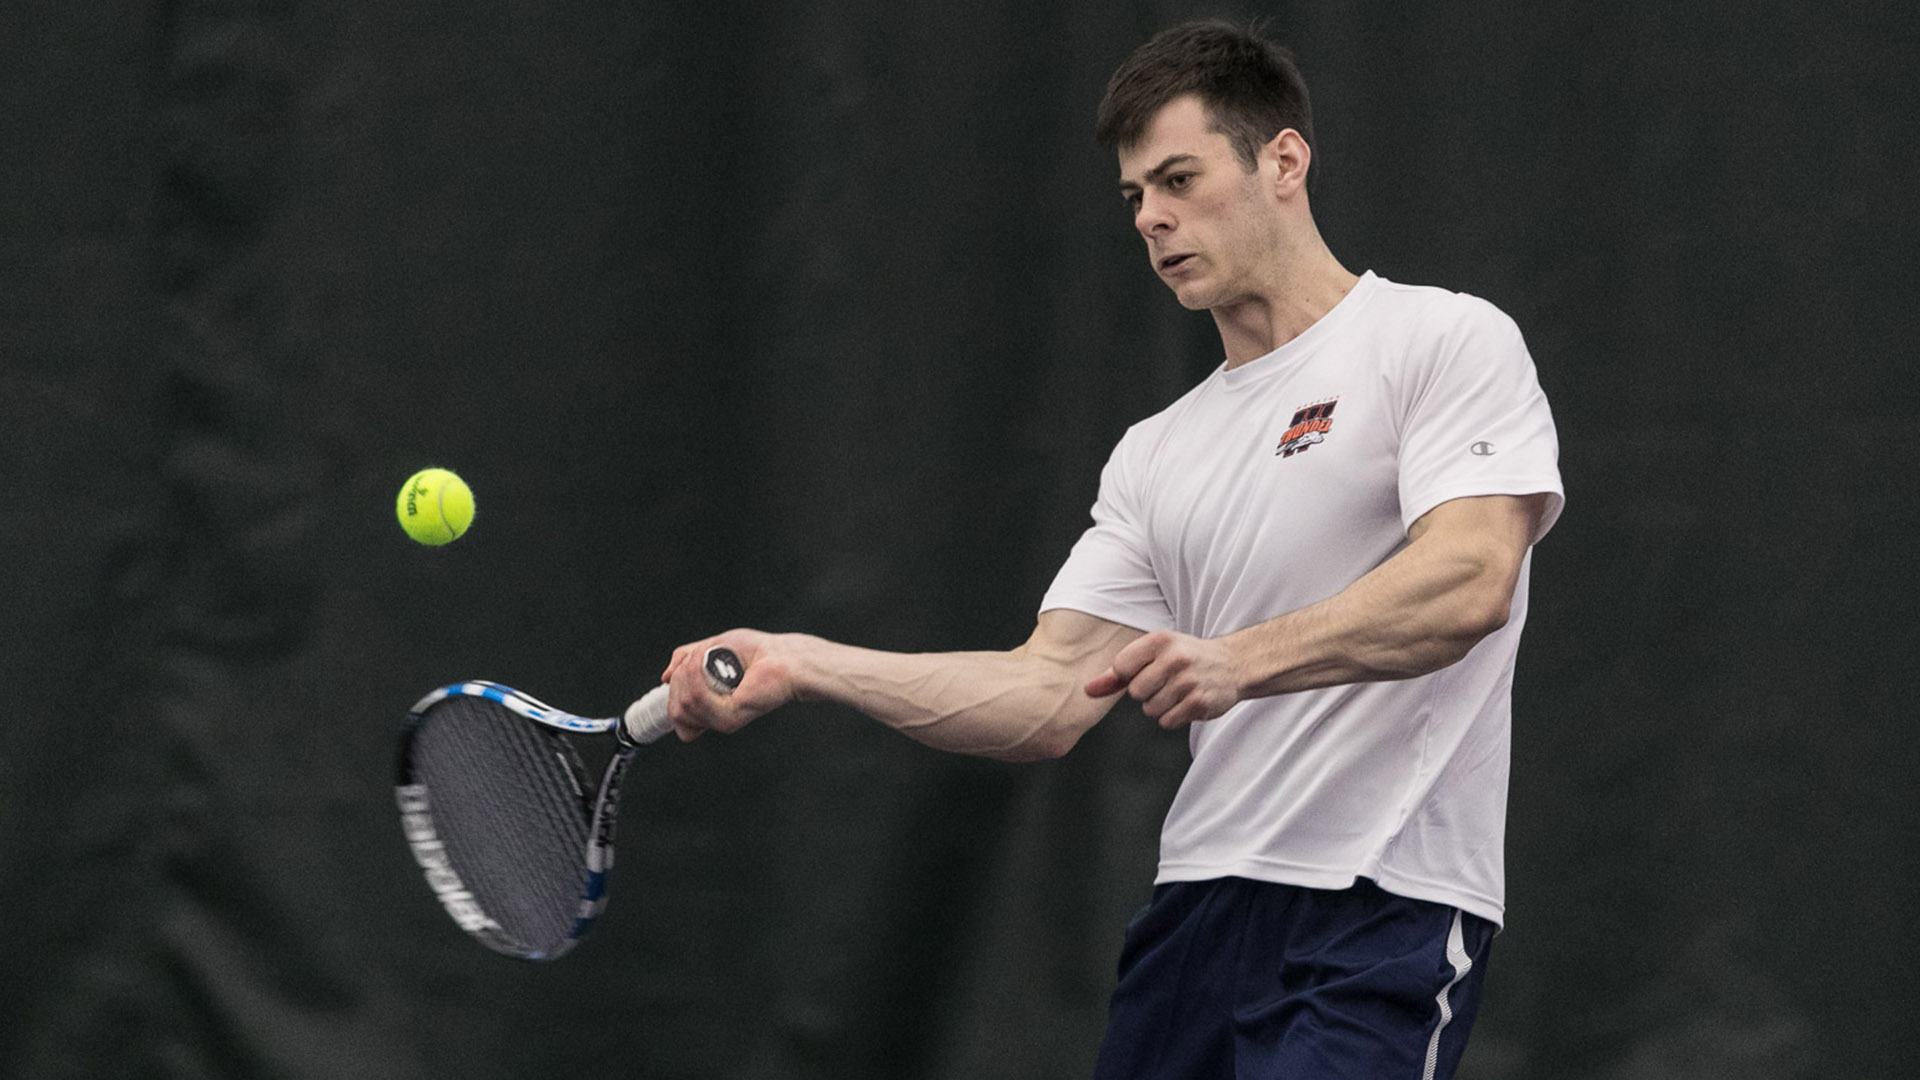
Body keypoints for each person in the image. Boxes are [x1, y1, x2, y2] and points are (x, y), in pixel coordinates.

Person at [661, 19, 1563, 1080]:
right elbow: (1045, 696)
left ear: (1283, 160)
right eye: (1136, 196)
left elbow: (1469, 580)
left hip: (1380, 908)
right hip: (1196, 918)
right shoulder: (1156, 453)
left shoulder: (1442, 340)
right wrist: (806, 663)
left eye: (1179, 178)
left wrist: (1236, 658)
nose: (1155, 218)